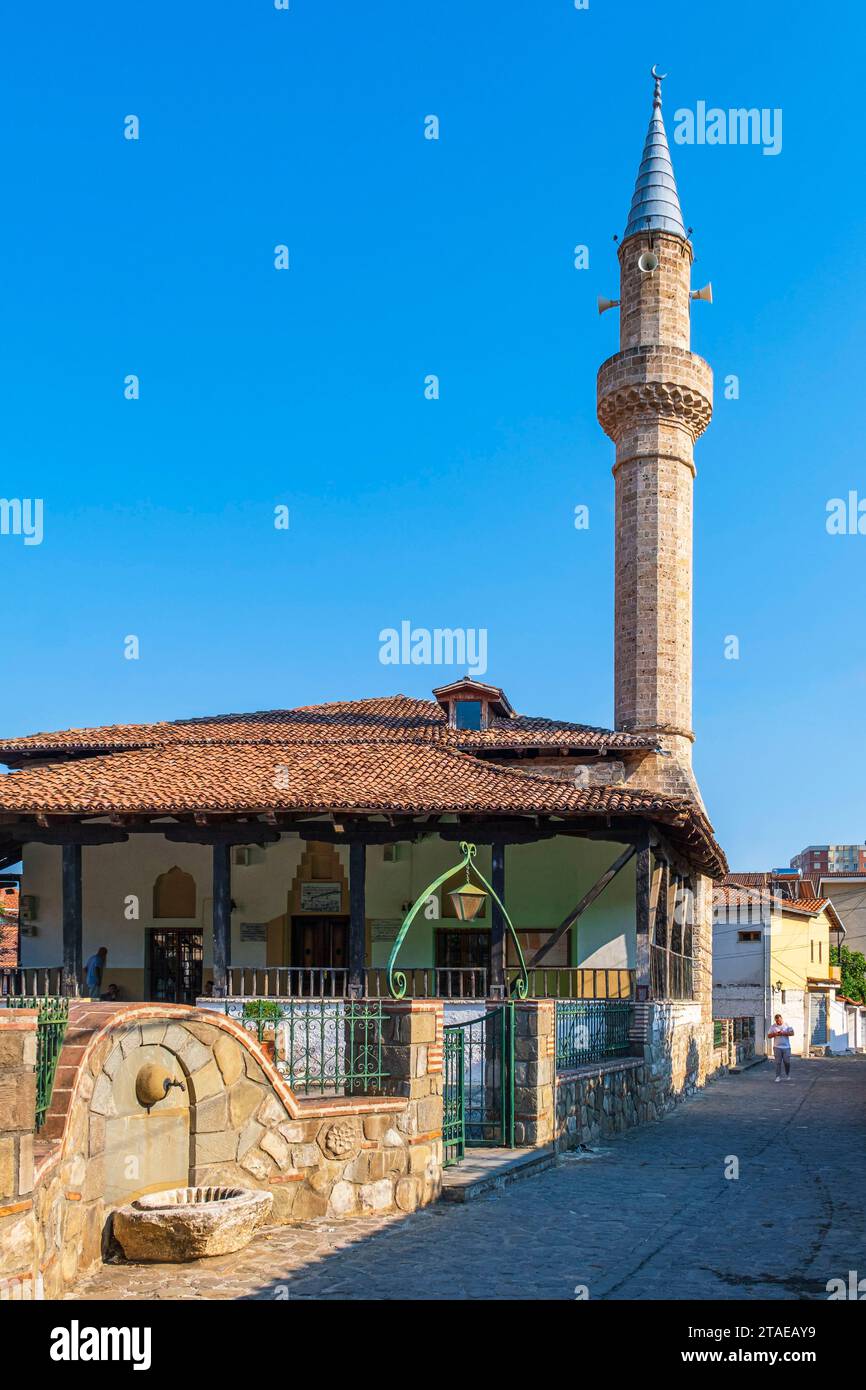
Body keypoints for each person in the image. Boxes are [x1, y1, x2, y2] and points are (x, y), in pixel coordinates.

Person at [768, 1013, 794, 1081]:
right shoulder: (773, 1026)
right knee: (778, 1062)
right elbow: (769, 1036)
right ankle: (777, 1076)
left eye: (779, 1020)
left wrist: (783, 1033)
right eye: (777, 1021)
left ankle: (787, 1074)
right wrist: (775, 1034)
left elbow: (792, 1033)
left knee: (787, 1062)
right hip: (777, 1047)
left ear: (781, 1019)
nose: (778, 1022)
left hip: (786, 1047)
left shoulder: (787, 1025)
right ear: (775, 1021)